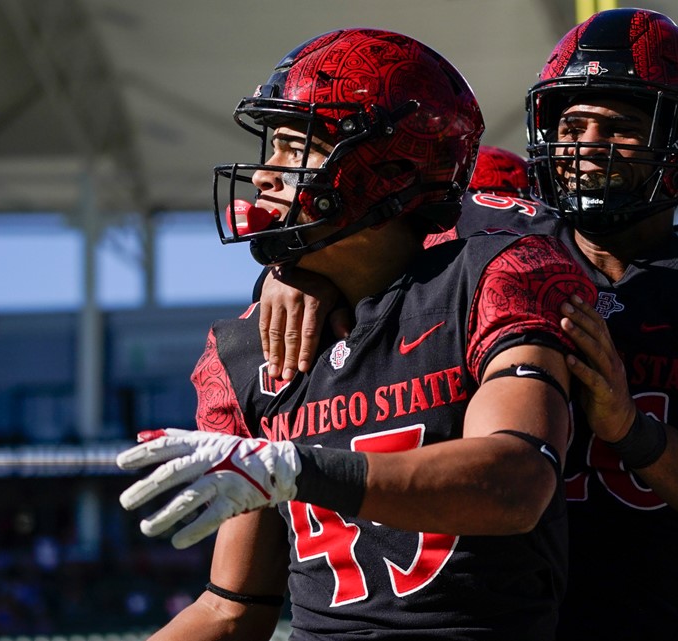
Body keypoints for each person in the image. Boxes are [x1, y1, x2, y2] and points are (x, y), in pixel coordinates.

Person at [254, 9, 678, 641]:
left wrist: (632, 431)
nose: (586, 146)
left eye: (617, 128)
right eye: (571, 126)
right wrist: (298, 271)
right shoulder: (487, 237)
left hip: (667, 622)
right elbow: (367, 237)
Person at [116, 27, 596, 641]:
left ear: (388, 170)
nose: (264, 175)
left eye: (294, 147)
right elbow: (232, 609)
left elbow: (516, 485)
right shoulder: (247, 349)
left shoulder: (494, 280)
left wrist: (298, 469)